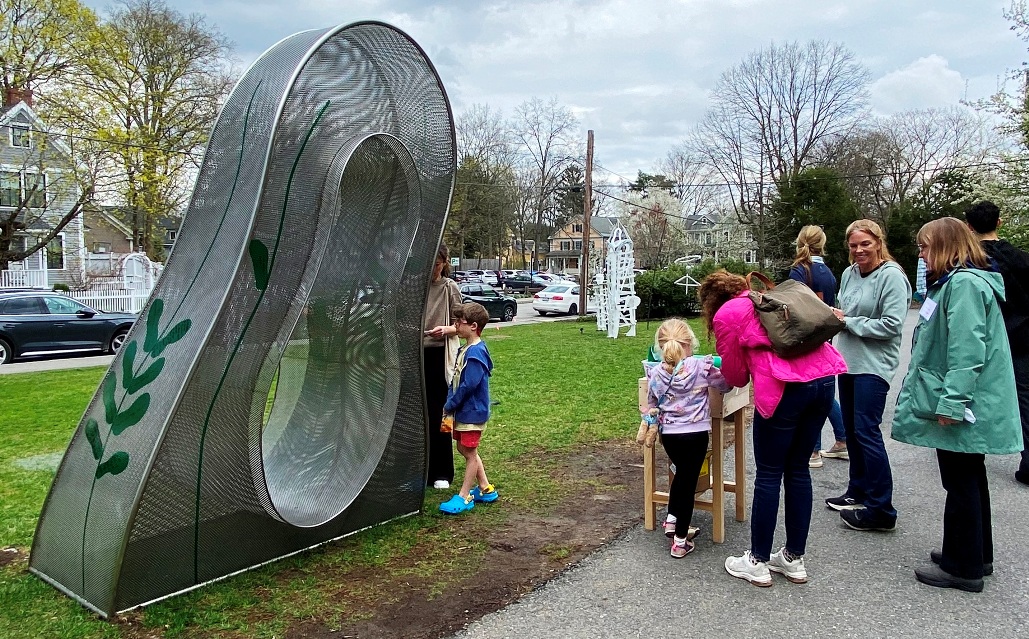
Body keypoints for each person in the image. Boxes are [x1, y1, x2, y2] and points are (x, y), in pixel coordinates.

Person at [892, 217, 1022, 592]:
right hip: (972, 401)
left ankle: (962, 567)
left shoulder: (963, 285)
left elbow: (967, 351)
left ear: (946, 247)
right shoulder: (961, 282)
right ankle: (976, 555)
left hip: (966, 404)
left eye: (925, 247)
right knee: (969, 477)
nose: (921, 254)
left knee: (961, 480)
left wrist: (951, 402)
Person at [698, 271, 847, 587]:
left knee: (768, 474)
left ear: (712, 300)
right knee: (798, 470)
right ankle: (794, 559)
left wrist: (717, 374)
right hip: (823, 380)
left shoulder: (728, 313)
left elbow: (736, 376)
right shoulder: (768, 299)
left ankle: (757, 560)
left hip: (785, 388)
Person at [825, 219, 911, 532]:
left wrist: (849, 322)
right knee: (853, 429)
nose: (859, 250)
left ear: (878, 242)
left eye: (865, 244)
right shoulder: (848, 273)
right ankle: (857, 490)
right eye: (853, 245)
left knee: (866, 430)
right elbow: (840, 312)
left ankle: (881, 508)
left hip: (874, 366)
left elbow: (891, 324)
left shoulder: (891, 276)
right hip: (847, 363)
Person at [643, 318, 730, 558]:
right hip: (696, 433)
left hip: (669, 434)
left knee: (681, 474)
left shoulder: (656, 371)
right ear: (690, 343)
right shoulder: (702, 367)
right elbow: (725, 384)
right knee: (688, 482)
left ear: (661, 347)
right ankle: (680, 540)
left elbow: (651, 400)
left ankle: (672, 518)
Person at [964, 201, 1029, 486]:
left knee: (974, 393)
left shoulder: (969, 261)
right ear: (999, 223)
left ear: (968, 226)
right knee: (1025, 398)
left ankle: (970, 447)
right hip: (1023, 335)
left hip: (988, 337)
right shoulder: (1021, 258)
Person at [788, 225, 847, 468]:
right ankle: (842, 439)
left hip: (805, 336)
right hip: (825, 335)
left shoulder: (799, 270)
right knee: (823, 392)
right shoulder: (828, 272)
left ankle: (812, 451)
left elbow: (793, 305)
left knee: (808, 393)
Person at [439, 302, 498, 514]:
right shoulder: (466, 349)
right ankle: (485, 488)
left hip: (472, 413)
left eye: (459, 322)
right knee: (464, 448)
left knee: (470, 452)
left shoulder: (475, 353)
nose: (455, 325)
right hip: (463, 411)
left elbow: (468, 386)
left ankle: (464, 497)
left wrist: (451, 404)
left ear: (473, 326)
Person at [423, 243, 464, 489]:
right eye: (430, 264)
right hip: (416, 355)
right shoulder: (415, 286)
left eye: (437, 265)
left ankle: (442, 472)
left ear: (445, 263)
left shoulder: (450, 288)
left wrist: (445, 330)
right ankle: (422, 470)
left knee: (441, 413)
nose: (433, 270)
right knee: (419, 414)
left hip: (440, 356)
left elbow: (462, 323)